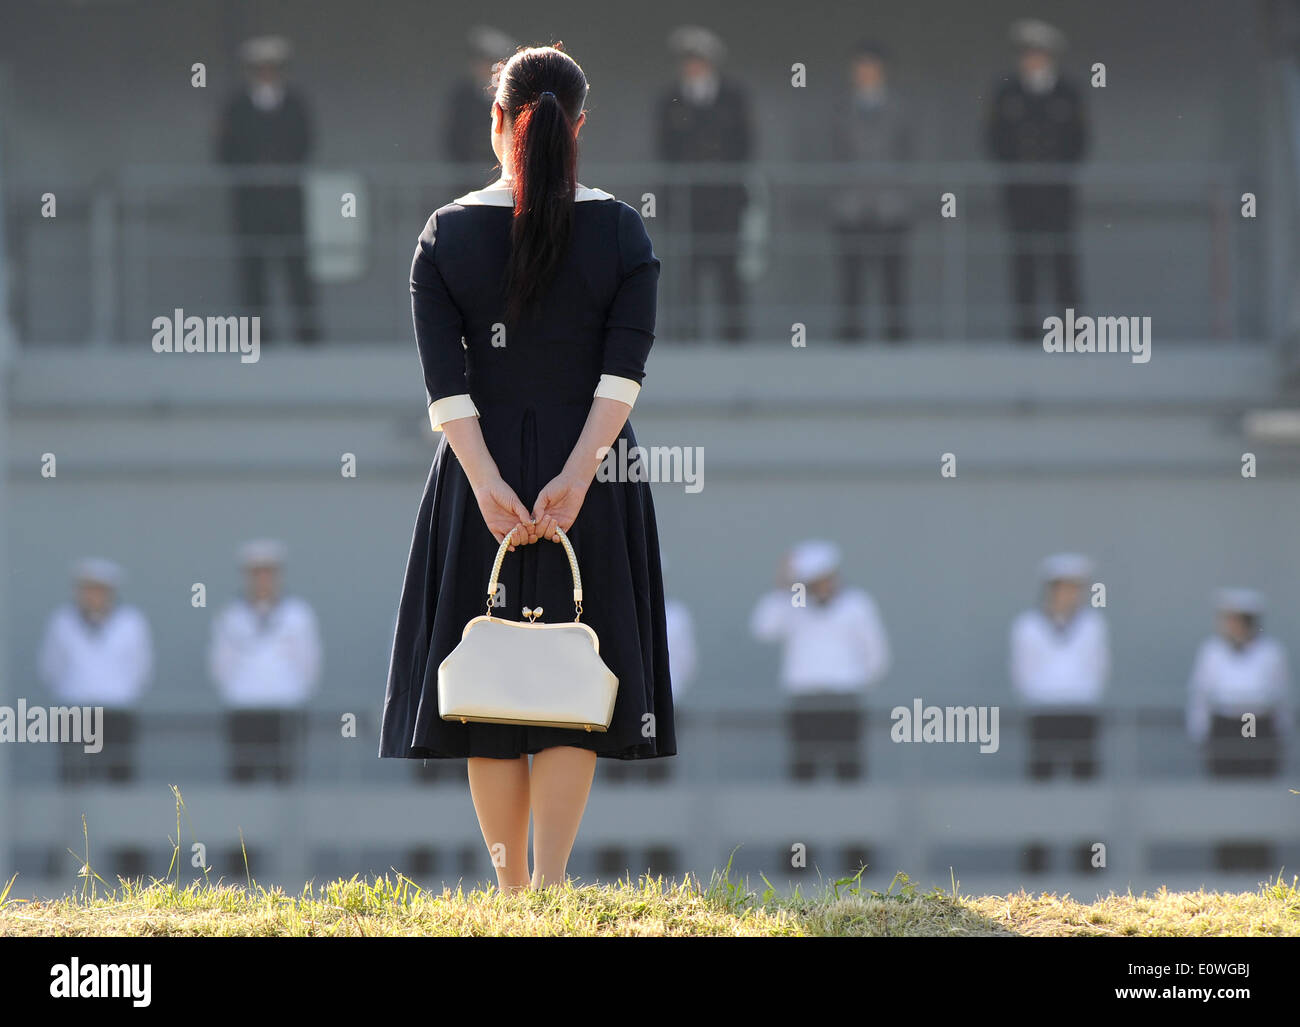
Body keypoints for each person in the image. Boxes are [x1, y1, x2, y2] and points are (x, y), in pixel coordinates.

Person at [380, 45, 677, 893]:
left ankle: (511, 895)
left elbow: (448, 389)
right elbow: (623, 375)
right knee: (570, 675)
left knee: (492, 683)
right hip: (595, 475)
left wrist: (483, 483)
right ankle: (550, 887)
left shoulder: (445, 234)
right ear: (578, 129)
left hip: (484, 476)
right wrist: (581, 473)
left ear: (497, 124)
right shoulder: (623, 230)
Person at [750, 540, 890, 781]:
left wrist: (856, 683)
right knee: (803, 771)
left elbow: (877, 654)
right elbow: (763, 629)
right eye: (815, 581)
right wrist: (784, 587)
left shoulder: (857, 604)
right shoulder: (797, 602)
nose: (823, 586)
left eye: (827, 578)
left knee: (849, 771)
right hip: (804, 700)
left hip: (844, 699)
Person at [987, 19, 1087, 341]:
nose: (1031, 60)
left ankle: (1072, 336)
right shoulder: (1006, 91)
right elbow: (994, 139)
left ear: (1049, 56)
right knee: (1024, 267)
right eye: (1026, 53)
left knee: (1062, 265)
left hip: (1057, 195)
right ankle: (1026, 337)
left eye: (1037, 53)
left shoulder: (1068, 93)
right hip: (1021, 195)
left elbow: (1080, 140)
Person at [215, 35, 319, 344]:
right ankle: (258, 339)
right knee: (253, 271)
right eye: (260, 68)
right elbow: (224, 151)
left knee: (296, 268)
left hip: (287, 200)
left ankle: (308, 337)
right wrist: (254, 169)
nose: (266, 74)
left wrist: (280, 168)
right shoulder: (236, 106)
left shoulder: (295, 103)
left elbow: (306, 143)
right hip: (251, 202)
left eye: (272, 67)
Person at [1010, 552, 1108, 874]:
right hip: (1044, 715)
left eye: (1076, 588)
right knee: (1039, 789)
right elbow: (1022, 672)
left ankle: (1089, 868)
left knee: (1086, 790)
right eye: (1066, 588)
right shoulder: (1027, 625)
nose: (1072, 595)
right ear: (1052, 589)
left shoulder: (1093, 625)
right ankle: (1034, 869)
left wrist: (1077, 694)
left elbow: (1098, 670)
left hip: (1081, 715)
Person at [655, 26, 753, 342]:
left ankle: (734, 340)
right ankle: (688, 338)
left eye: (697, 59)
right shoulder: (671, 98)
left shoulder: (733, 96)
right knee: (688, 274)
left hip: (725, 200)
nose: (692, 66)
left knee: (728, 271)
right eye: (687, 60)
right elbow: (665, 148)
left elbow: (745, 144)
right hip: (688, 201)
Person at [1186, 589, 1292, 871]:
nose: (1228, 625)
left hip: (1260, 727)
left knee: (1260, 798)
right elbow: (1200, 693)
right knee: (1224, 797)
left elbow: (1281, 695)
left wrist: (1279, 735)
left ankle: (1261, 865)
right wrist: (1201, 733)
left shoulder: (1271, 652)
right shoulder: (1211, 650)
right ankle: (1226, 863)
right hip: (1225, 727)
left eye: (1234, 619)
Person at [209, 539, 322, 783]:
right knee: (242, 777)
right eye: (256, 574)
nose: (263, 580)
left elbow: (309, 662)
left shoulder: (298, 614)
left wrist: (295, 690)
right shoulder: (230, 615)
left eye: (268, 573)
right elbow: (220, 665)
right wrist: (237, 691)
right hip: (244, 708)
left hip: (286, 706)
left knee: (286, 778)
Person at [38, 558, 152, 783]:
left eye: (99, 590)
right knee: (74, 778)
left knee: (119, 776)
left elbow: (142, 666)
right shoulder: (61, 621)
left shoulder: (131, 622)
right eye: (87, 589)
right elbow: (50, 666)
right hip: (75, 710)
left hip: (117, 710)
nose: (92, 596)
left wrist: (120, 690)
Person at [831, 41, 912, 342]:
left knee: (893, 283)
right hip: (851, 206)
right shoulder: (840, 107)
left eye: (870, 66)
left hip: (890, 206)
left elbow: (908, 153)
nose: (864, 73)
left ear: (882, 70)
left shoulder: (900, 107)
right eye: (859, 66)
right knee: (851, 283)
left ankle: (897, 345)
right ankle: (850, 346)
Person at [444, 26, 518, 195]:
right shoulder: (463, 96)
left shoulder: (513, 95)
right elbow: (454, 136)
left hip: (504, 177)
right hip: (469, 178)